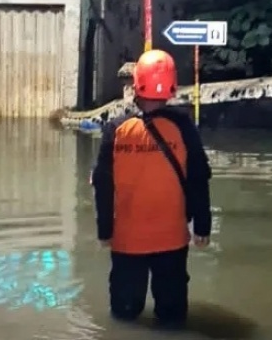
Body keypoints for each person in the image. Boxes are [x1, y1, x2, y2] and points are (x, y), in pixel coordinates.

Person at [91, 49, 213, 329]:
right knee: (171, 317)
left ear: (136, 86)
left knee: (124, 316)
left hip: (126, 240)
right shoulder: (184, 128)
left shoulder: (116, 129)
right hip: (171, 239)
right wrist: (202, 226)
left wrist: (104, 231)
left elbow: (103, 184)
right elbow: (198, 179)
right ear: (172, 87)